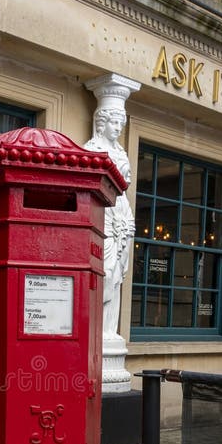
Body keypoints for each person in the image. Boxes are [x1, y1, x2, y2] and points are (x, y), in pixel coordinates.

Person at [85, 107, 135, 339]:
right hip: (103, 209)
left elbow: (125, 183)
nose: (117, 128)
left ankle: (108, 330)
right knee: (104, 269)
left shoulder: (122, 152)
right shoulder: (91, 149)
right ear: (101, 123)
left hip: (122, 210)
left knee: (118, 275)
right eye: (114, 123)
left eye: (120, 125)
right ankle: (94, 329)